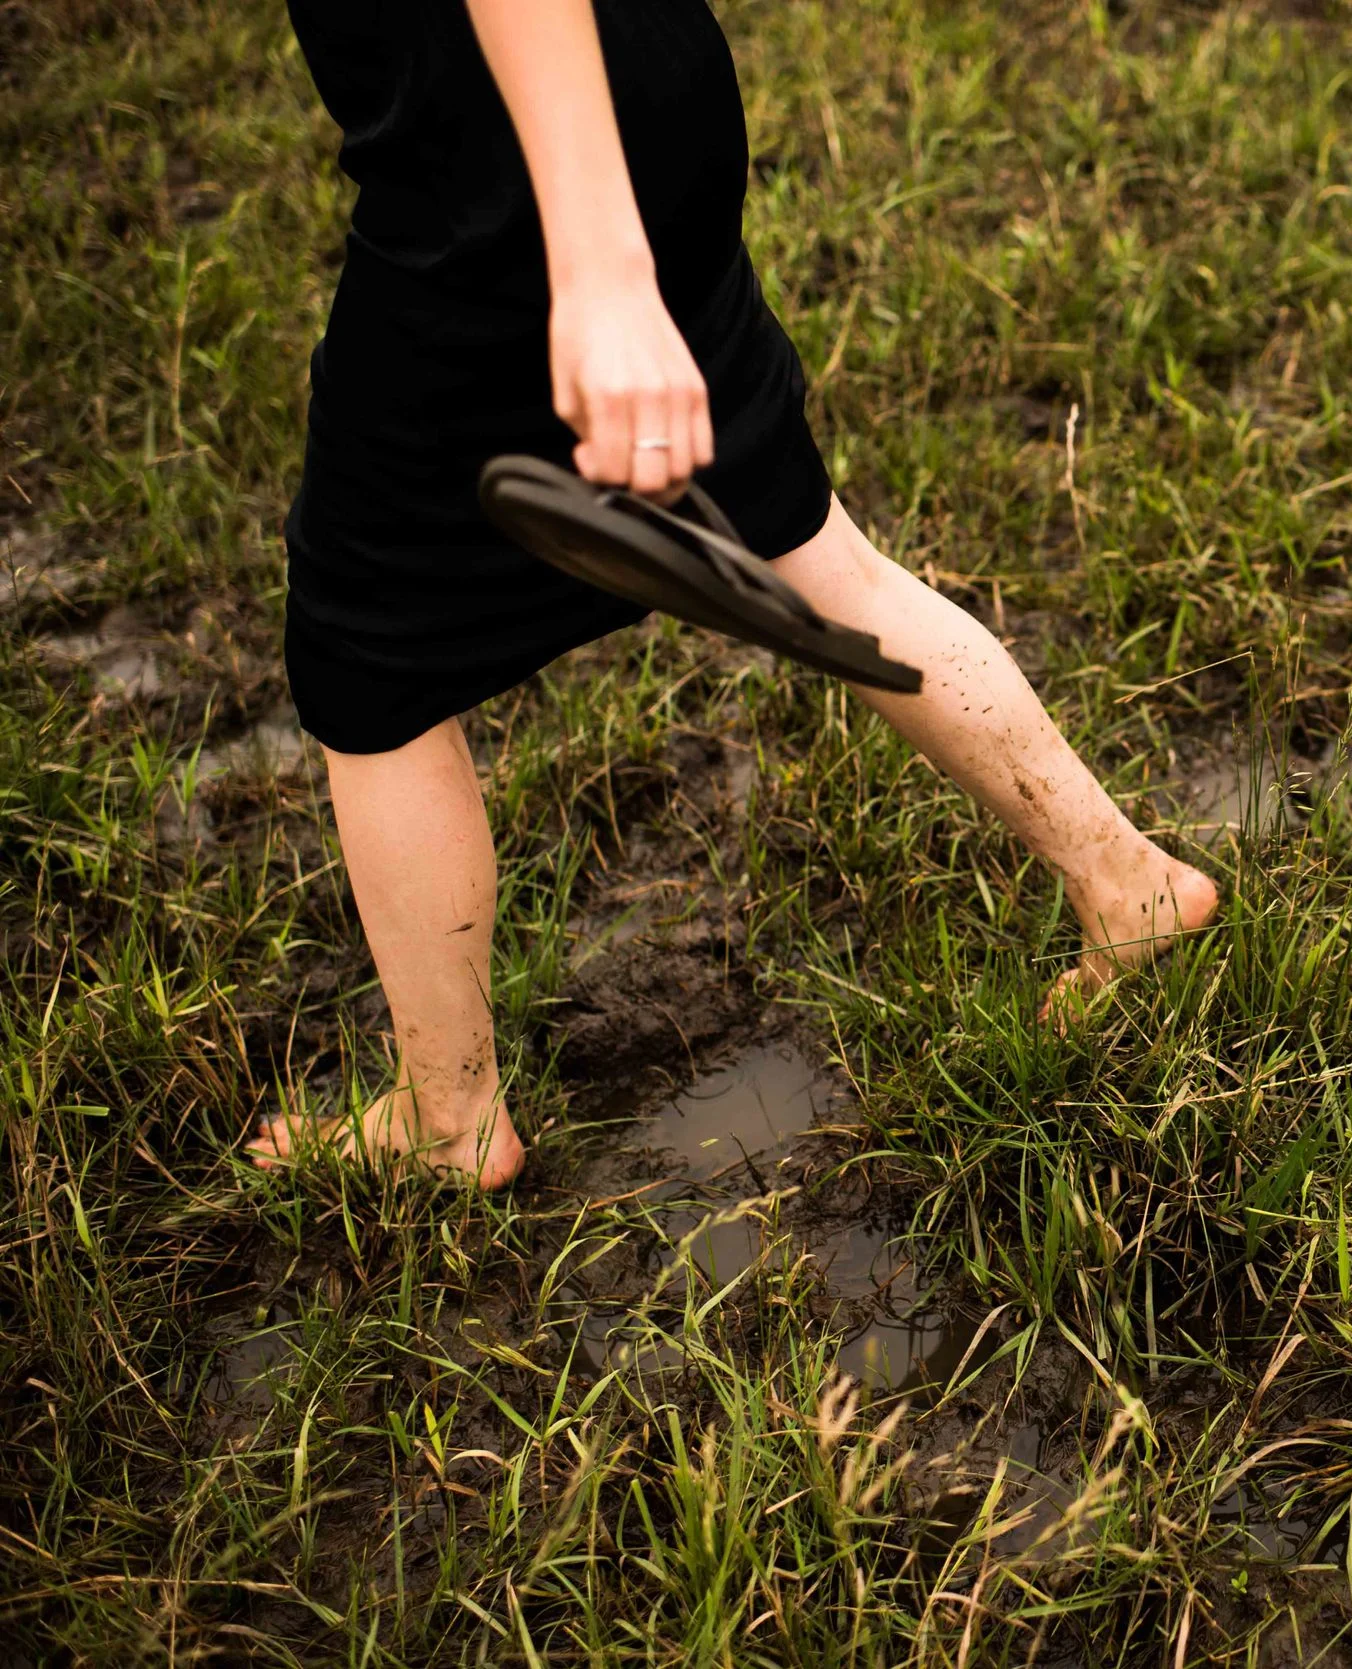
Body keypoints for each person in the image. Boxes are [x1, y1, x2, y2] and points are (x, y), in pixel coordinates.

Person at [250, 0, 1216, 1188]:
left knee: (365, 666)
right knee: (811, 551)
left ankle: (446, 1119)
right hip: (642, 80)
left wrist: (601, 276)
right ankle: (1126, 879)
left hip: (508, 166)